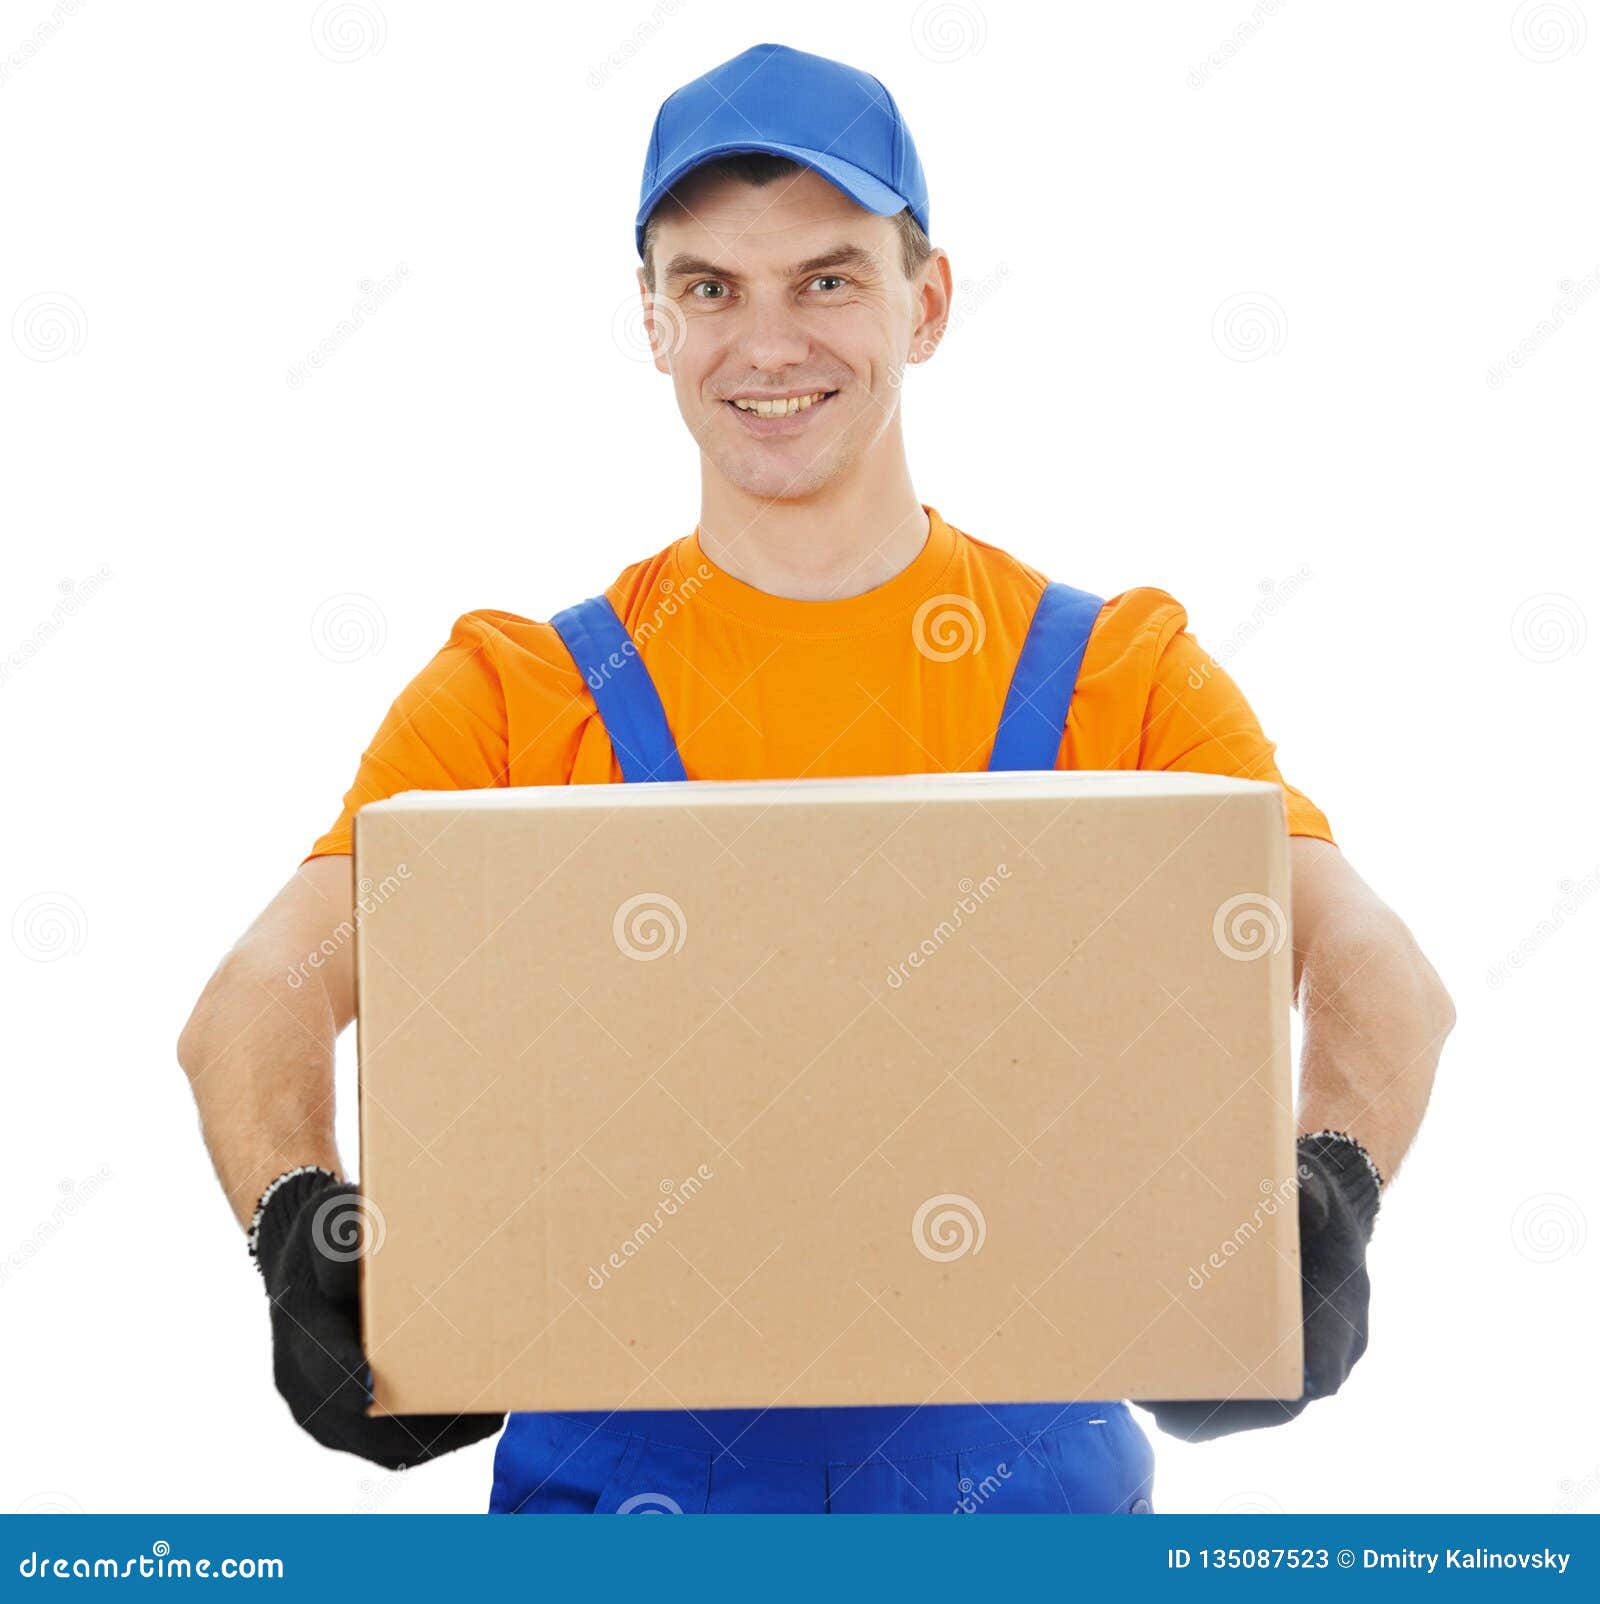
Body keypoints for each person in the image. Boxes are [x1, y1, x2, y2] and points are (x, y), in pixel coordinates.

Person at [177, 42, 1455, 1514]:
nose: (767, 341)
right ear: (653, 322)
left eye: (828, 279)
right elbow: (257, 996)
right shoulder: (516, 702)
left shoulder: (1117, 678)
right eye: (711, 286)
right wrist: (298, 1222)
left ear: (928, 301)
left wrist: (1326, 1192)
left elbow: (1370, 959)